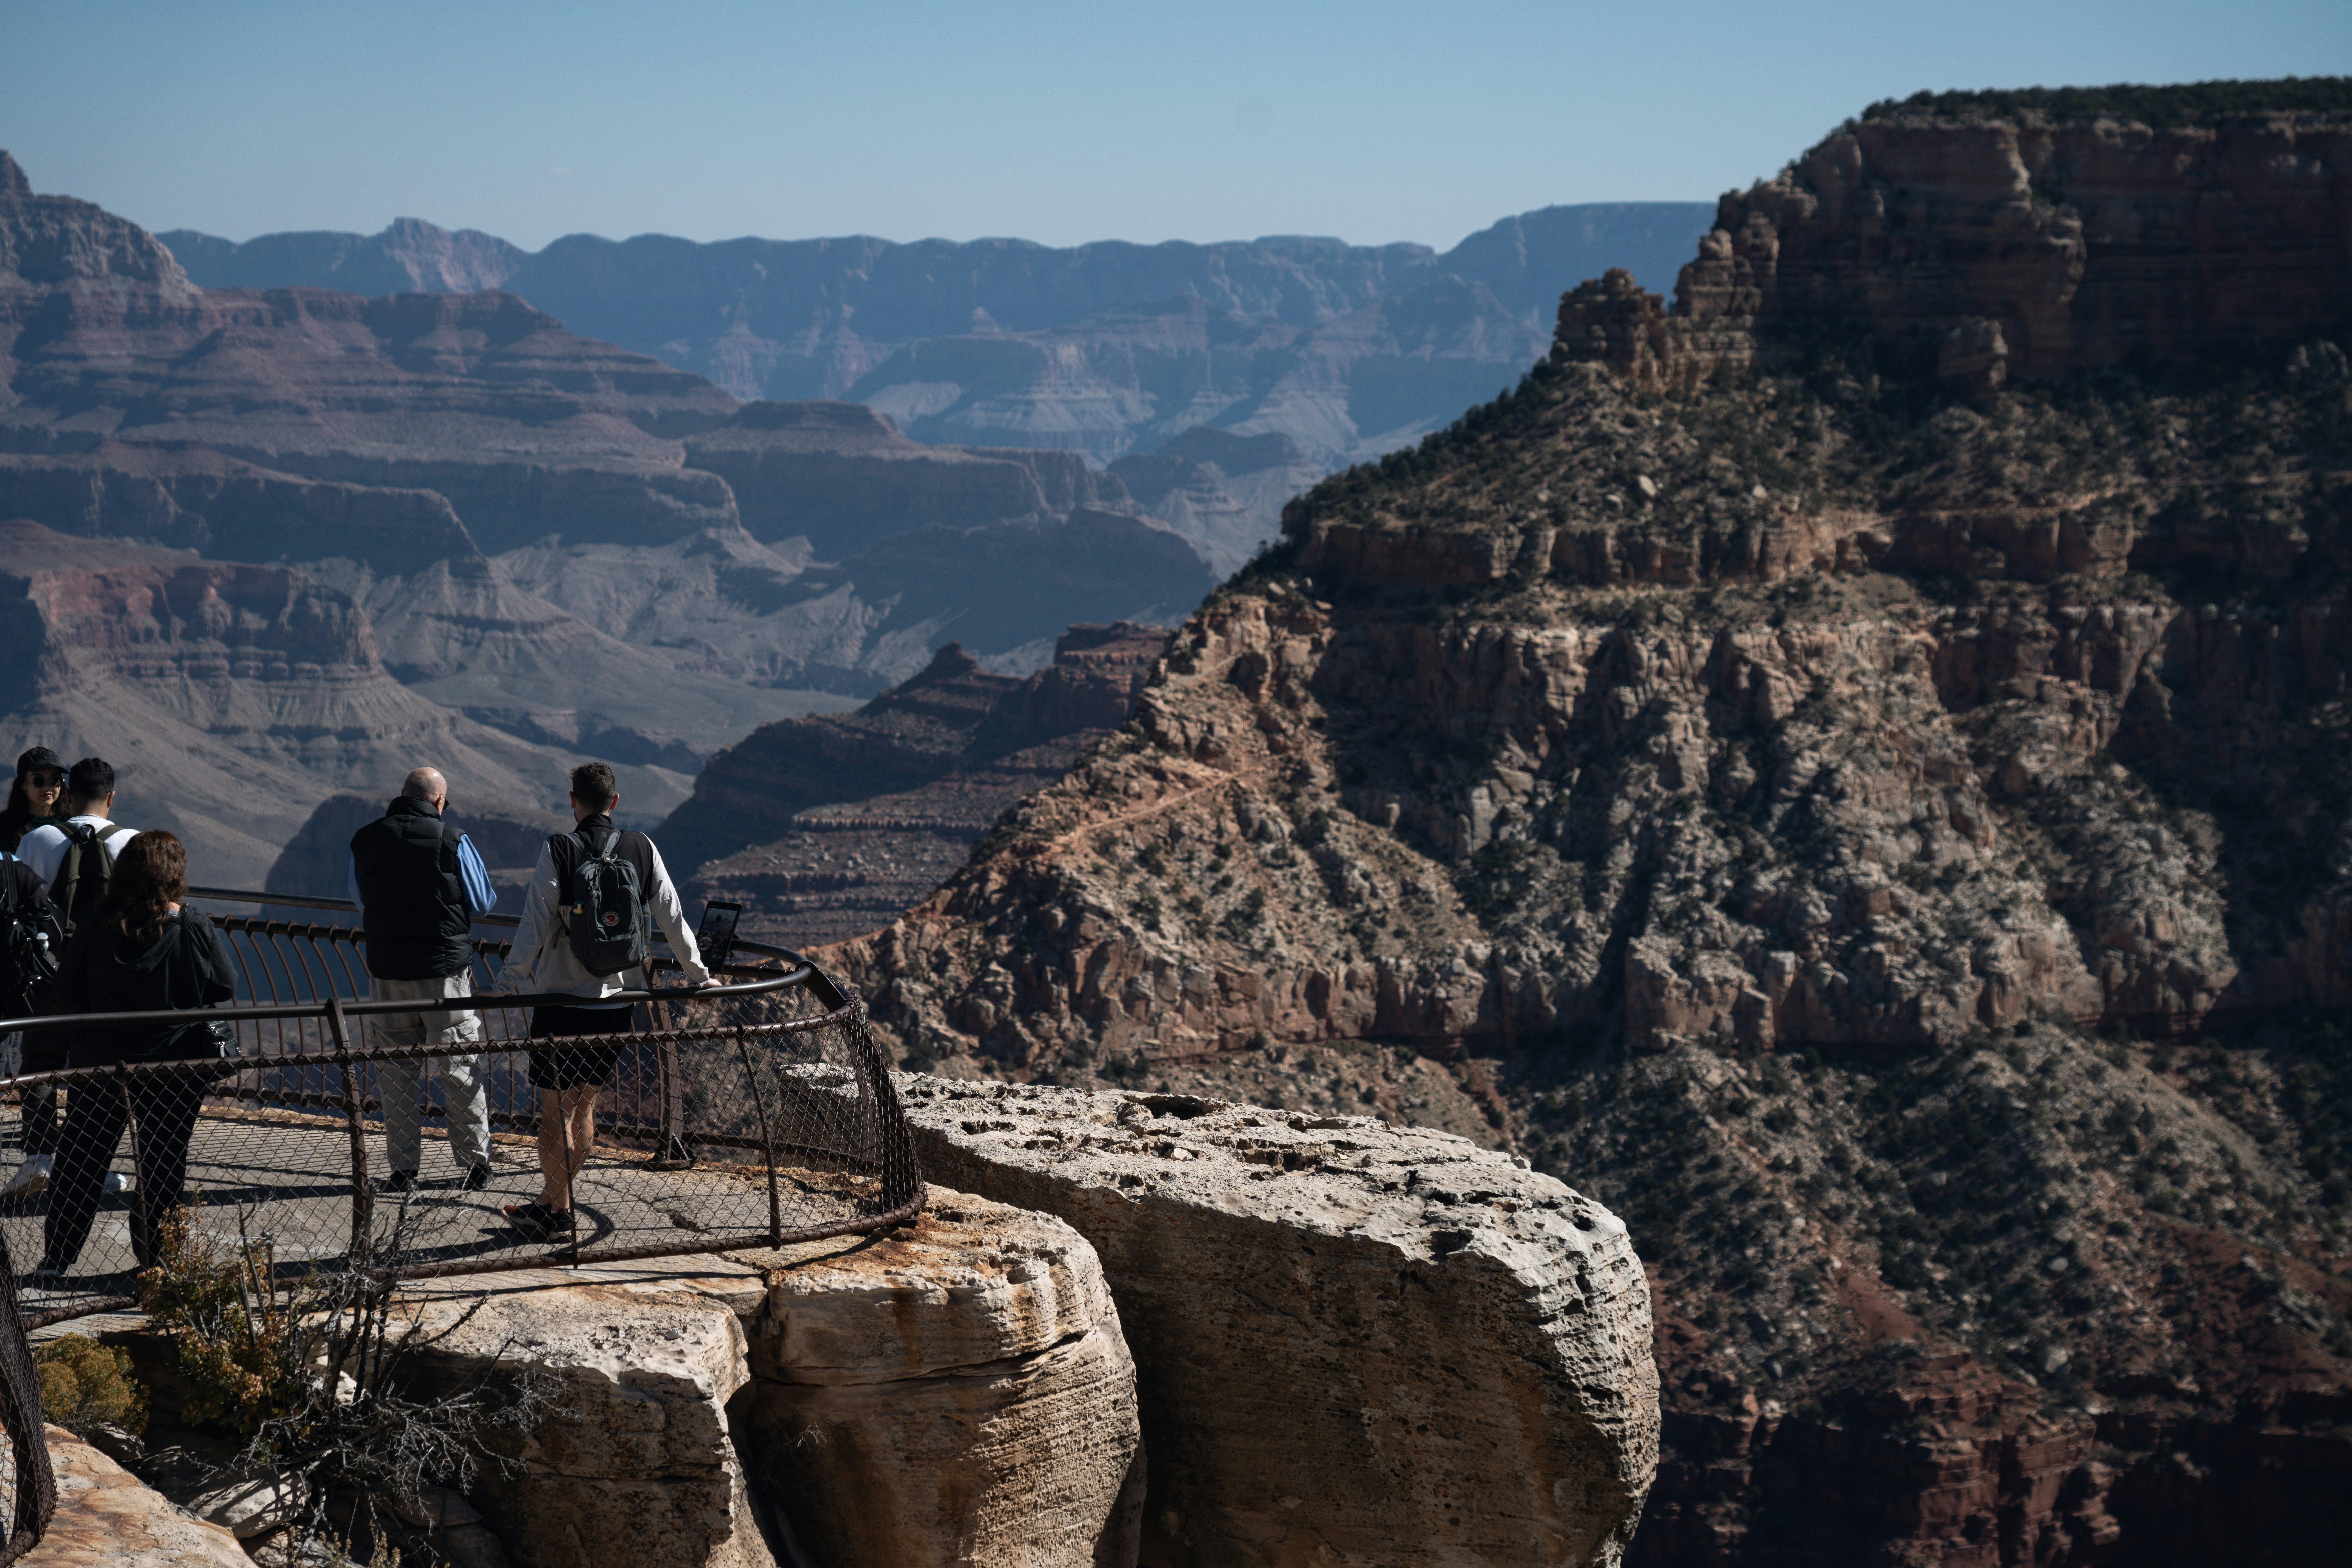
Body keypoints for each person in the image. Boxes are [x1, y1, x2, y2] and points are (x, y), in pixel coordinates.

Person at [495, 763, 711, 1238]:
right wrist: (700, 976)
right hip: (617, 1004)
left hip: (560, 1002)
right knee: (584, 1107)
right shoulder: (642, 847)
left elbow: (534, 921)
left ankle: (559, 1211)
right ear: (615, 802)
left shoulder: (560, 850)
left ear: (574, 801)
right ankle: (553, 1203)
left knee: (553, 1112)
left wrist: (508, 981)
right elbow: (672, 916)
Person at [34, 831, 235, 1282]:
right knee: (163, 1165)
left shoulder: (98, 922)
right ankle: (155, 1263)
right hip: (173, 1068)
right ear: (175, 876)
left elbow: (65, 989)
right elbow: (225, 987)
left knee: (81, 1162)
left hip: (101, 1065)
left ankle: (56, 1260)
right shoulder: (193, 926)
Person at [348, 767, 497, 1192]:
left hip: (389, 973)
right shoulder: (452, 838)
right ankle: (474, 1166)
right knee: (460, 1069)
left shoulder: (365, 839)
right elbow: (484, 902)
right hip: (443, 976)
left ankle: (404, 1171)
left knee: (395, 1075)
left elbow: (359, 896)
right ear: (439, 801)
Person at [0, 849, 62, 1200]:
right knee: (31, 1066)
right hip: (15, 992)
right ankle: (39, 1157)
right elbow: (54, 925)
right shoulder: (13, 870)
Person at [18, 759, 139, 937]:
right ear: (111, 798)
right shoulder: (134, 842)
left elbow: (19, 903)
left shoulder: (34, 840)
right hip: (113, 957)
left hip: (49, 957)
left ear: (68, 796)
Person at [0, 747, 69, 854]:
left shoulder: (71, 822)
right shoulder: (5, 827)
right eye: (38, 781)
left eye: (54, 780)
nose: (47, 787)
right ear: (23, 785)